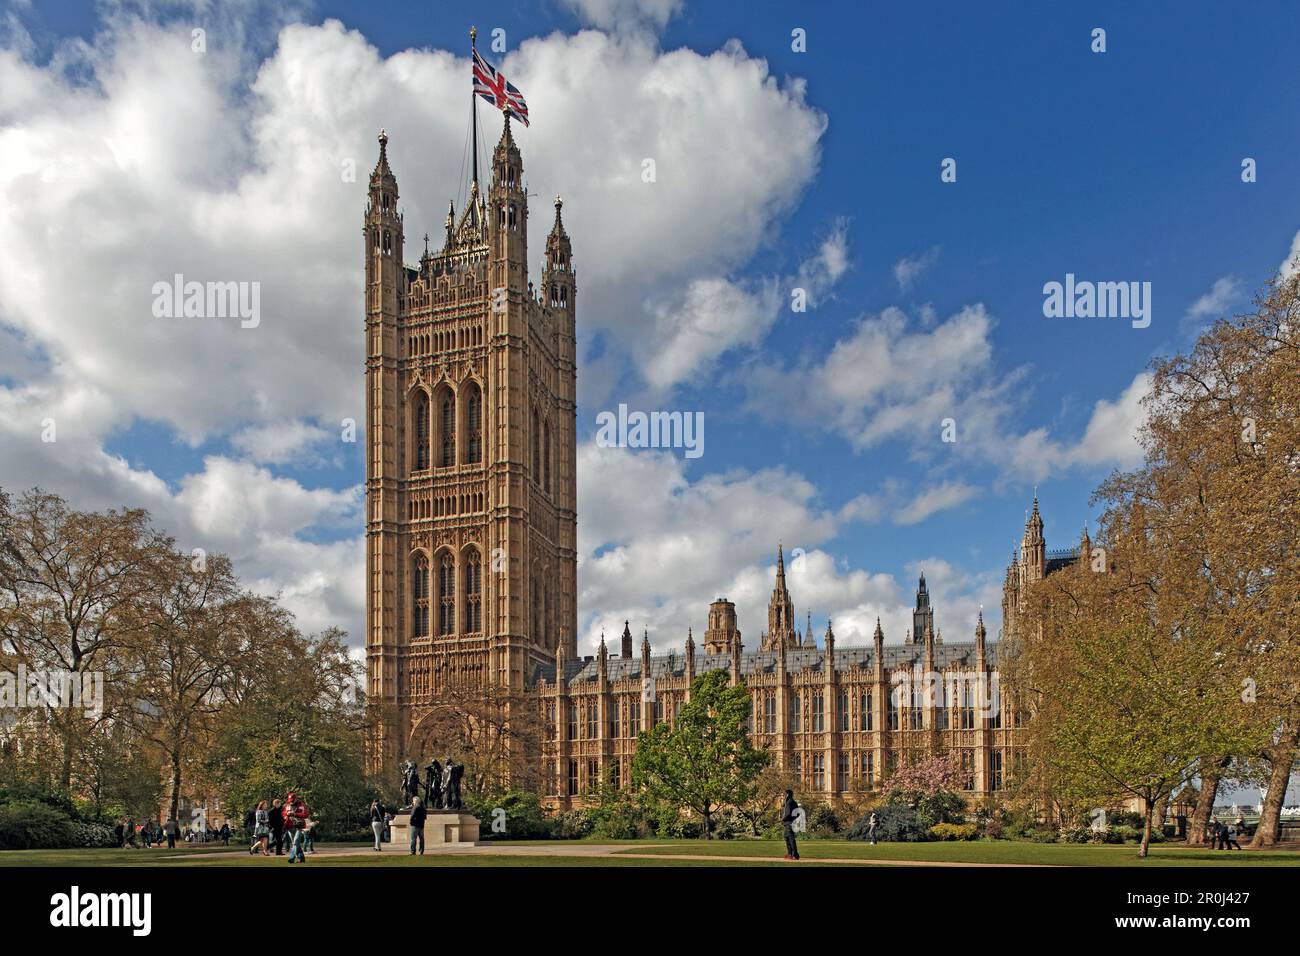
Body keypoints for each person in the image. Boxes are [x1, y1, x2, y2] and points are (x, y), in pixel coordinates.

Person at [284, 792, 309, 863]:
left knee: (295, 842)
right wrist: (286, 815)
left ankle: (291, 858)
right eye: (290, 801)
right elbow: (283, 814)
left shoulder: (301, 805)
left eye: (292, 801)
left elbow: (306, 815)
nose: (291, 802)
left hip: (299, 825)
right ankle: (302, 858)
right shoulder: (287, 805)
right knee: (295, 843)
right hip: (289, 826)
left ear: (295, 799)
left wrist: (294, 814)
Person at [780, 789, 800, 861]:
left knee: (790, 839)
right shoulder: (794, 802)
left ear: (788, 794)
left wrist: (782, 819)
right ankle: (790, 854)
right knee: (787, 837)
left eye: (785, 794)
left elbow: (787, 813)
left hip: (788, 823)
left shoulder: (788, 802)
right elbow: (798, 813)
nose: (784, 796)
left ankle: (794, 855)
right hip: (792, 822)